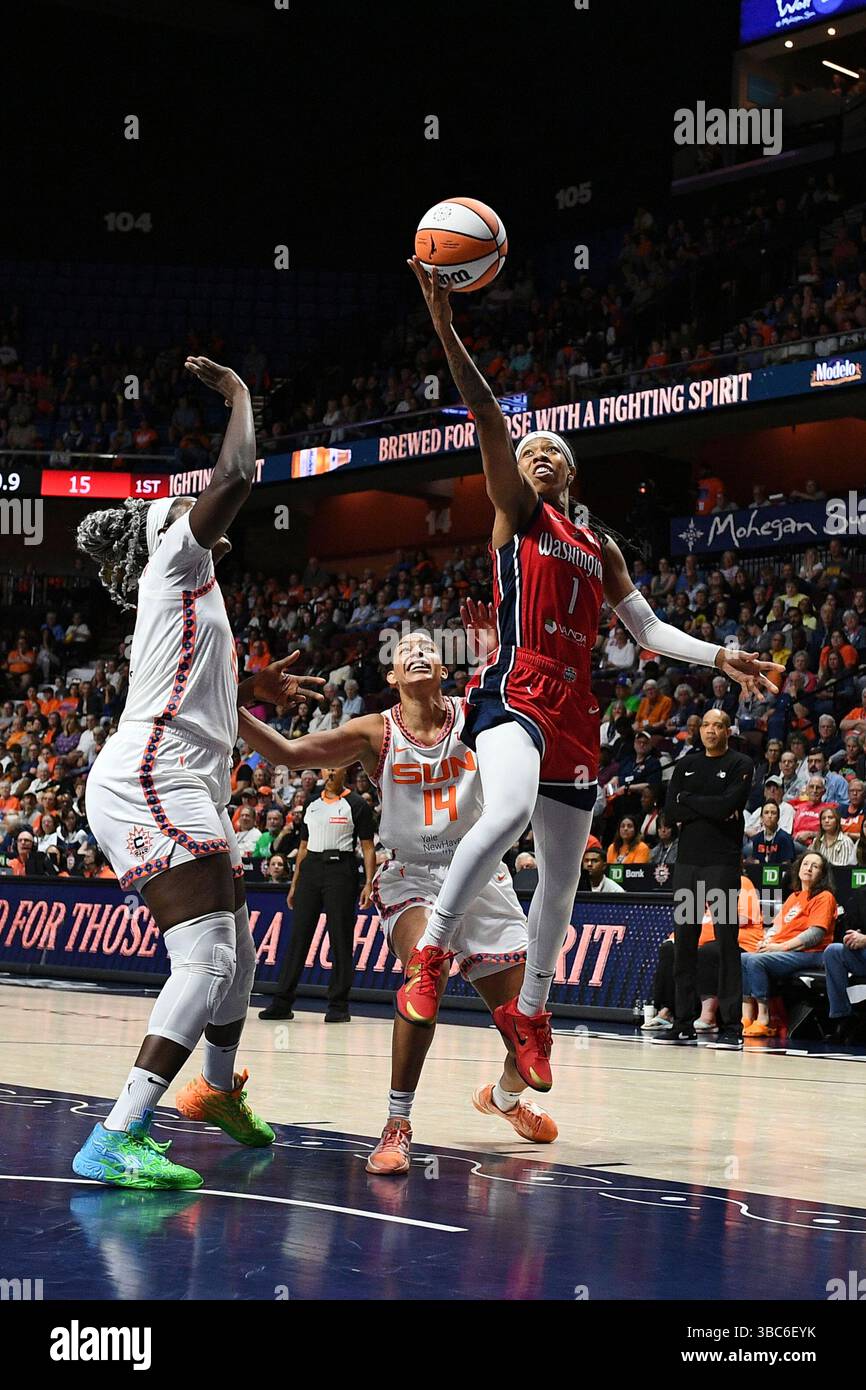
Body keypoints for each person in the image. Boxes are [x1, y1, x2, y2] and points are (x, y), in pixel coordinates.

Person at [389, 256, 782, 1093]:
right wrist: (449, 331)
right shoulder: (516, 512)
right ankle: (430, 956)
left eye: (550, 451)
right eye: (527, 449)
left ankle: (533, 1015)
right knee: (502, 816)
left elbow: (643, 627)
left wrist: (720, 655)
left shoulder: (596, 543)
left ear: (572, 473)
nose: (535, 455)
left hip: (577, 707)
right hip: (514, 689)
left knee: (562, 880)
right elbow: (492, 420)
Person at [71, 356, 323, 1191]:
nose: (188, 506)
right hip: (151, 776)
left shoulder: (197, 595)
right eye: (177, 508)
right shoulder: (175, 560)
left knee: (237, 956)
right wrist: (245, 395)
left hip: (175, 773)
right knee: (206, 963)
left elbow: (199, 691)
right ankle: (117, 1132)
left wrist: (251, 693)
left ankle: (212, 1089)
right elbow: (241, 471)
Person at [240, 621, 558, 1171]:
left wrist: (496, 657)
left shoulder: (477, 711)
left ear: (442, 670)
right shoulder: (373, 732)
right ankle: (396, 1123)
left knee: (522, 1029)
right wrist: (232, 697)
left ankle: (503, 1099)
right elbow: (290, 754)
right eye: (404, 651)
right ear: (391, 676)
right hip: (413, 875)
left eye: (426, 649)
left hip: (481, 876)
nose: (415, 653)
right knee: (422, 979)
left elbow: (531, 687)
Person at [658, 710, 754, 1049]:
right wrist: (708, 806)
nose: (711, 731)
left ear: (728, 730)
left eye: (718, 725)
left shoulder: (741, 763)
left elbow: (730, 803)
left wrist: (691, 802)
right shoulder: (686, 765)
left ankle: (731, 1025)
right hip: (688, 866)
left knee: (727, 942)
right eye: (706, 726)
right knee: (684, 942)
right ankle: (683, 1021)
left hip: (722, 866)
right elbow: (671, 811)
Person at [259, 765, 376, 1024]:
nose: (330, 773)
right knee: (299, 937)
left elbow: (368, 848)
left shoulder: (356, 804)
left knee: (340, 937)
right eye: (326, 769)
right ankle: (282, 1002)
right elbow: (302, 847)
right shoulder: (311, 802)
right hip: (311, 868)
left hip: (341, 869)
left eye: (335, 769)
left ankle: (338, 1005)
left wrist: (368, 883)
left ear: (345, 771)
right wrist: (294, 884)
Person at [741, 852, 836, 1037]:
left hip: (812, 952)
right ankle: (746, 1016)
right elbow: (777, 925)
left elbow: (814, 935)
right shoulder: (794, 897)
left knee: (756, 961)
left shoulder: (824, 897)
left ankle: (764, 1019)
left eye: (815, 866)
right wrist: (767, 940)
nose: (808, 868)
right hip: (787, 949)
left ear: (822, 874)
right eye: (805, 864)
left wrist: (779, 947)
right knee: (744, 957)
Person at [822, 886, 866, 1041]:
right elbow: (849, 926)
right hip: (863, 955)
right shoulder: (861, 894)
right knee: (833, 951)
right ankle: (843, 1018)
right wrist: (854, 936)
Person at [746, 801, 796, 868]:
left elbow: (786, 865)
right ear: (761, 818)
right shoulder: (757, 839)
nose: (769, 816)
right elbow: (756, 862)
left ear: (778, 818)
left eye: (773, 813)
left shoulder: (785, 838)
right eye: (766, 813)